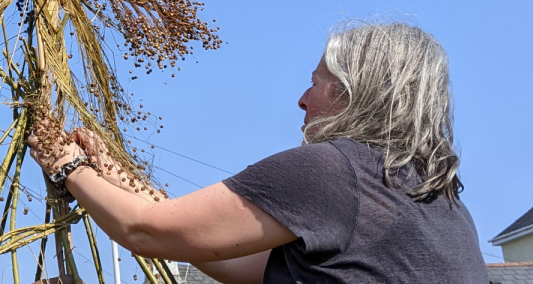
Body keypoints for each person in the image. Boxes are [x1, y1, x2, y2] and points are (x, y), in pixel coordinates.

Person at [28, 22, 488, 284]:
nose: (303, 100)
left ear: (354, 94)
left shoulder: (333, 171)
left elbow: (144, 231)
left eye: (316, 82)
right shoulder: (437, 203)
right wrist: (113, 177)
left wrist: (67, 165)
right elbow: (216, 252)